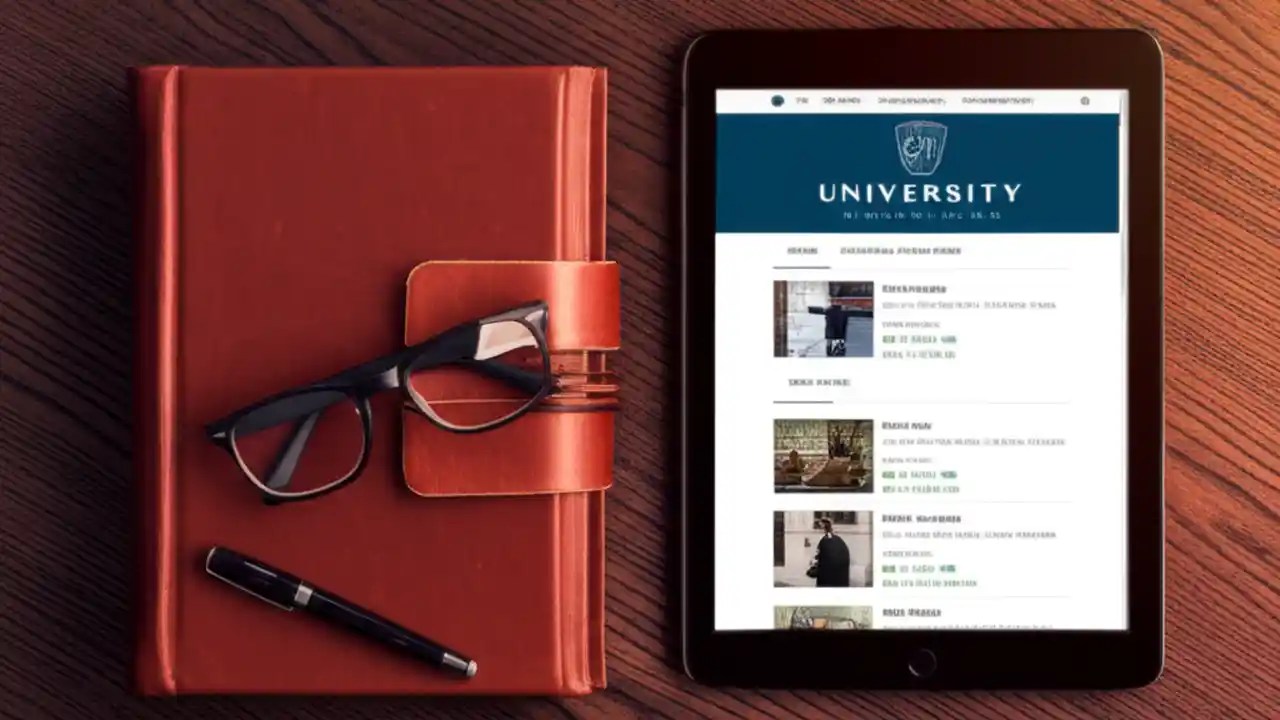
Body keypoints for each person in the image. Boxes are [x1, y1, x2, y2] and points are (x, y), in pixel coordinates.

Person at [813, 518, 851, 587]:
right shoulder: (838, 539)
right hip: (840, 578)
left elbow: (817, 557)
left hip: (827, 578)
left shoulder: (824, 540)